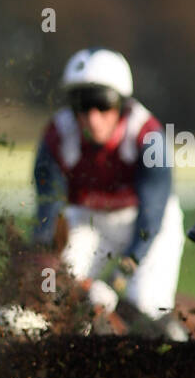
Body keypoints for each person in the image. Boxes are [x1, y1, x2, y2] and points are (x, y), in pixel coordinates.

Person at [32, 47, 185, 336]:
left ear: (122, 104)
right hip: (89, 219)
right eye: (82, 104)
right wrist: (42, 258)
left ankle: (173, 343)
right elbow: (48, 209)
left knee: (143, 305)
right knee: (58, 293)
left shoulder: (148, 136)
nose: (92, 117)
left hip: (146, 223)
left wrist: (117, 279)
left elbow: (150, 221)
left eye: (103, 103)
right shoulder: (56, 134)